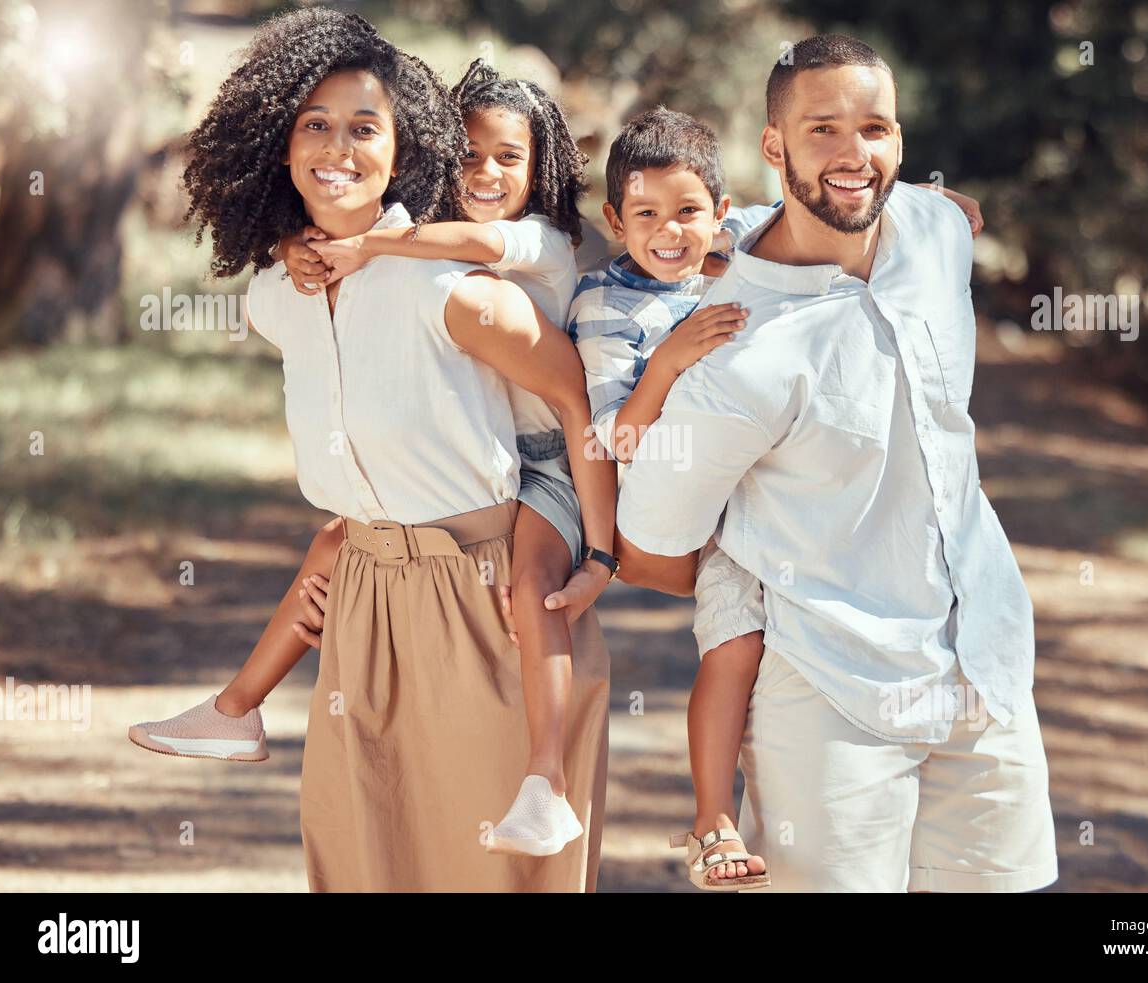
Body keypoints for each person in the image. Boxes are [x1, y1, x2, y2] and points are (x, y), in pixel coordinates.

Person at [169, 6, 615, 891]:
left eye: (364, 127)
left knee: (493, 871)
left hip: (484, 596)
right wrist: (303, 246)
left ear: (402, 147)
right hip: (363, 595)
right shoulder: (276, 295)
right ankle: (235, 709)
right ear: (280, 145)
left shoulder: (455, 290)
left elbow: (574, 392)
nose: (338, 147)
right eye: (316, 125)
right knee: (363, 856)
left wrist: (599, 546)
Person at [612, 34, 1058, 892]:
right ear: (772, 145)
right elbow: (648, 545)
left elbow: (941, 206)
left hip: (986, 663)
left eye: (876, 129)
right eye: (823, 130)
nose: (854, 153)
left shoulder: (935, 231)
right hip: (831, 695)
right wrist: (785, 569)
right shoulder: (733, 351)